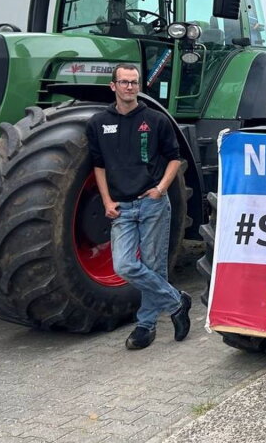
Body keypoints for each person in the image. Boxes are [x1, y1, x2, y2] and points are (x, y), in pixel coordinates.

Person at [85, 63, 192, 350]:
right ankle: (177, 302)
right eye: (124, 82)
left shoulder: (156, 120)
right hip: (121, 207)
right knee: (125, 265)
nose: (129, 87)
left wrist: (160, 189)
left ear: (139, 86)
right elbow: (99, 166)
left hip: (152, 204)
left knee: (154, 266)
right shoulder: (98, 123)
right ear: (113, 86)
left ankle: (145, 326)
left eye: (134, 82)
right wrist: (107, 201)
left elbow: (174, 158)